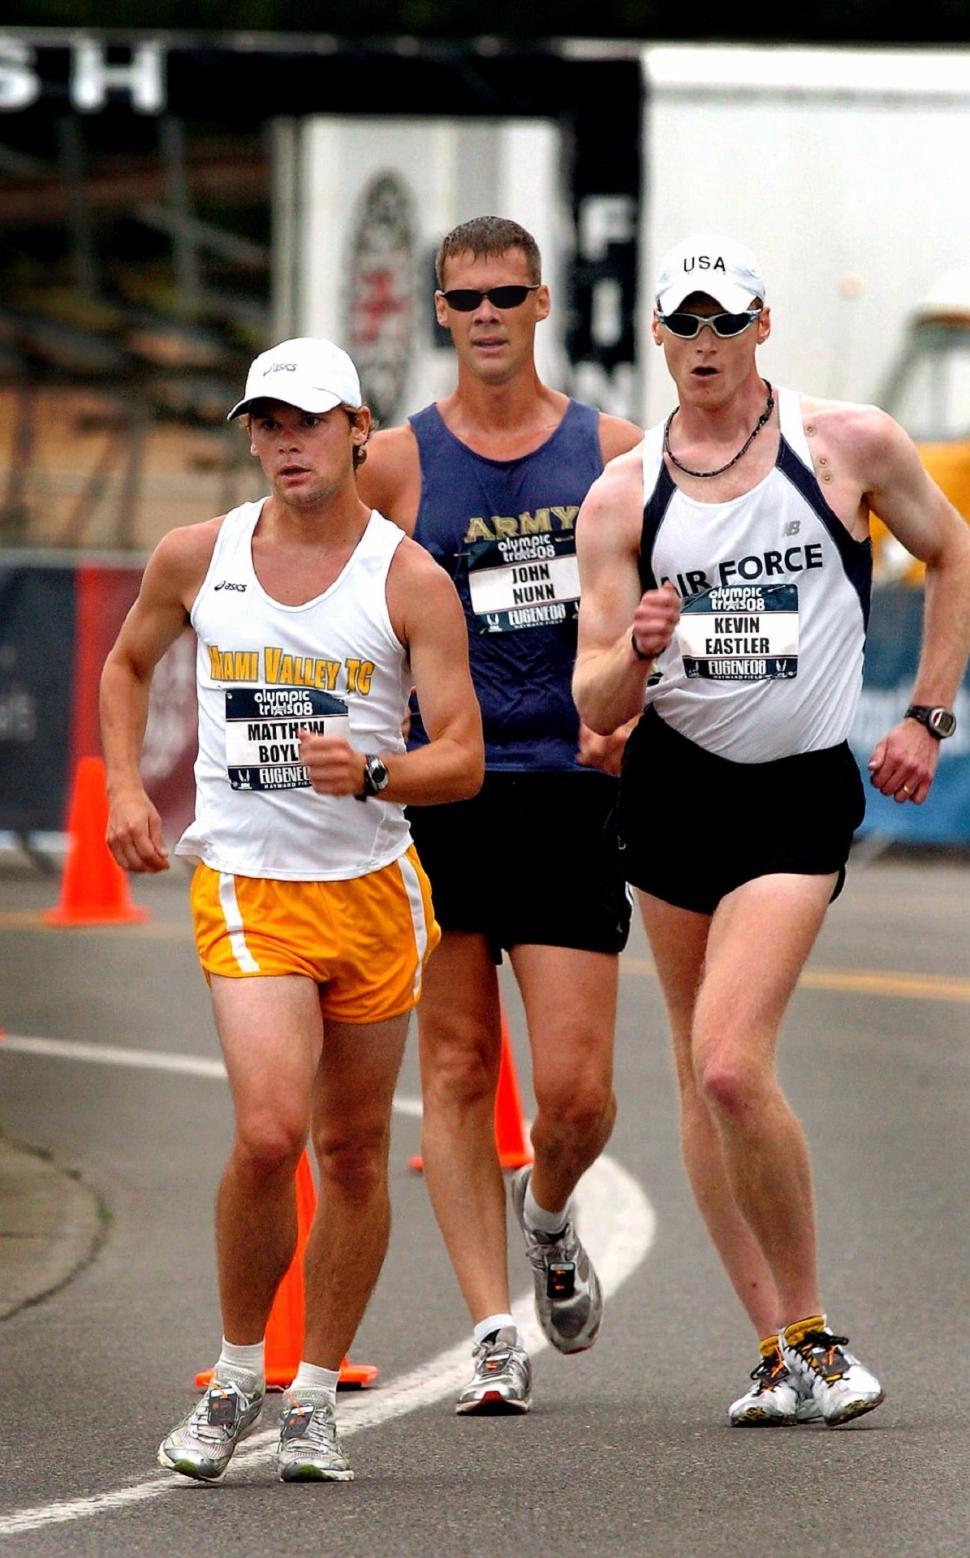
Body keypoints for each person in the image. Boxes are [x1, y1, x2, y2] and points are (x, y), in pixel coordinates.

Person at [573, 232, 970, 1427]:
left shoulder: (843, 443)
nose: (702, 344)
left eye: (721, 321)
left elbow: (952, 554)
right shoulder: (621, 495)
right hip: (672, 788)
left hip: (796, 788)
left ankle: (815, 1334)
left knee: (733, 1062)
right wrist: (635, 650)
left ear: (759, 329)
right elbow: (590, 702)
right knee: (700, 1081)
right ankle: (772, 1347)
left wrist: (926, 716)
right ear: (656, 339)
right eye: (681, 325)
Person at [100, 336, 483, 1482]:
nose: (282, 443)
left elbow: (459, 758)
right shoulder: (195, 555)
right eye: (264, 423)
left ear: (358, 427)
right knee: (271, 1134)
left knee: (355, 1149)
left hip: (371, 890)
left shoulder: (406, 577)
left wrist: (373, 772)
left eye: (305, 422)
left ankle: (314, 1390)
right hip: (249, 884)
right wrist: (124, 782)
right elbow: (127, 667)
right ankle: (233, 1375)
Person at [356, 215, 643, 1414]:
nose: (483, 315)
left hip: (572, 795)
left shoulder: (617, 451)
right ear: (438, 310)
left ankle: (549, 1212)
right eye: (463, 297)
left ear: (539, 307)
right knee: (462, 1068)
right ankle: (489, 1328)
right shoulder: (397, 464)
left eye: (505, 295)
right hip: (446, 799)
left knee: (574, 1096)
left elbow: (662, 606)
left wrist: (634, 714)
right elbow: (341, 616)